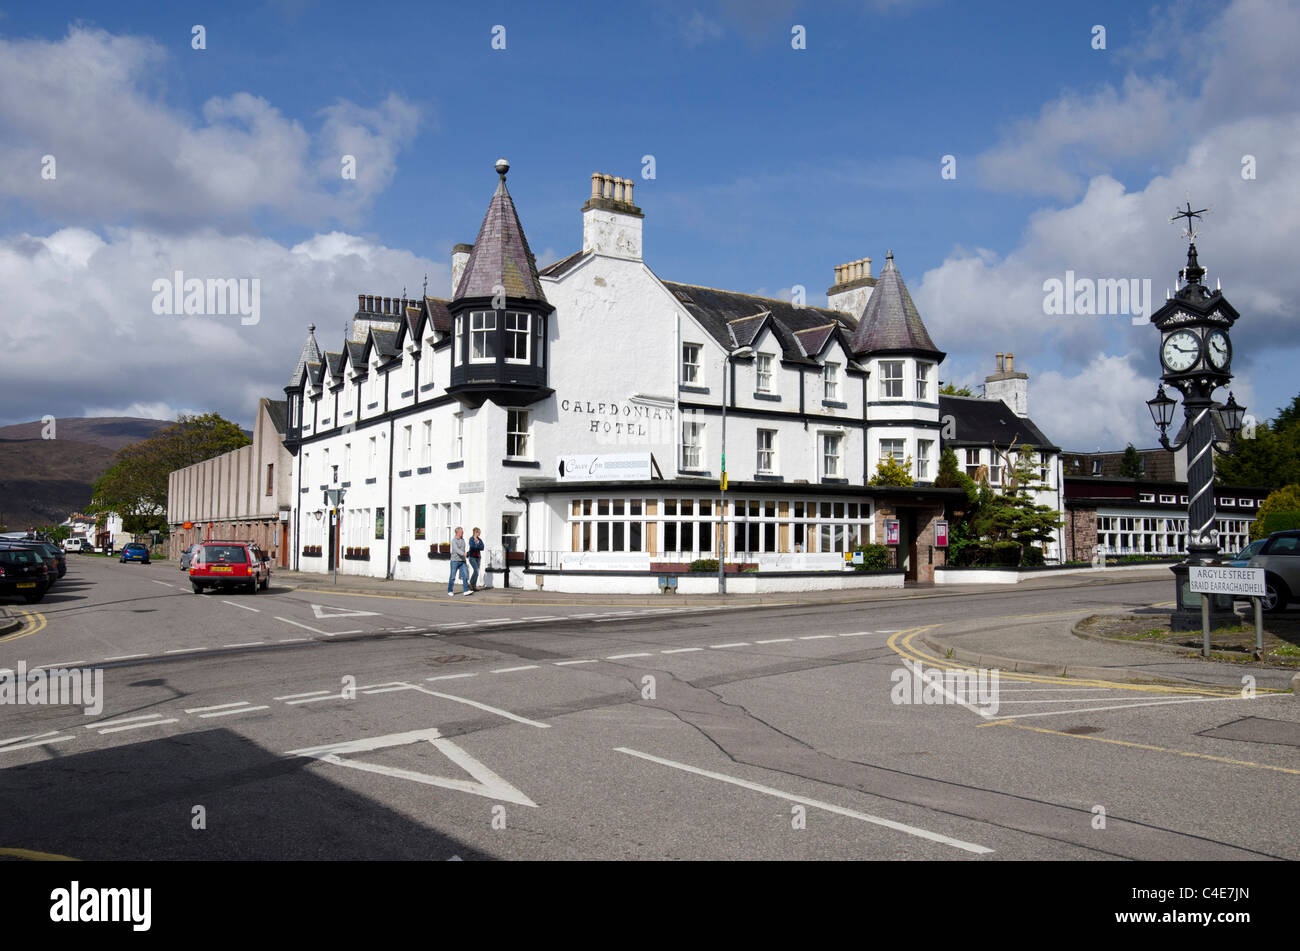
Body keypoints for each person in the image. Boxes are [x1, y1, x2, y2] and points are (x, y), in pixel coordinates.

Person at [447, 527, 473, 596]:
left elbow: (463, 549)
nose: (462, 533)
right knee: (452, 577)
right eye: (461, 532)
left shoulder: (463, 540)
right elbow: (456, 550)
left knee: (465, 575)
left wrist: (466, 554)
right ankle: (450, 590)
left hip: (462, 561)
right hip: (454, 561)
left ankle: (466, 590)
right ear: (457, 532)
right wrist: (464, 554)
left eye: (462, 531)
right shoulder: (453, 541)